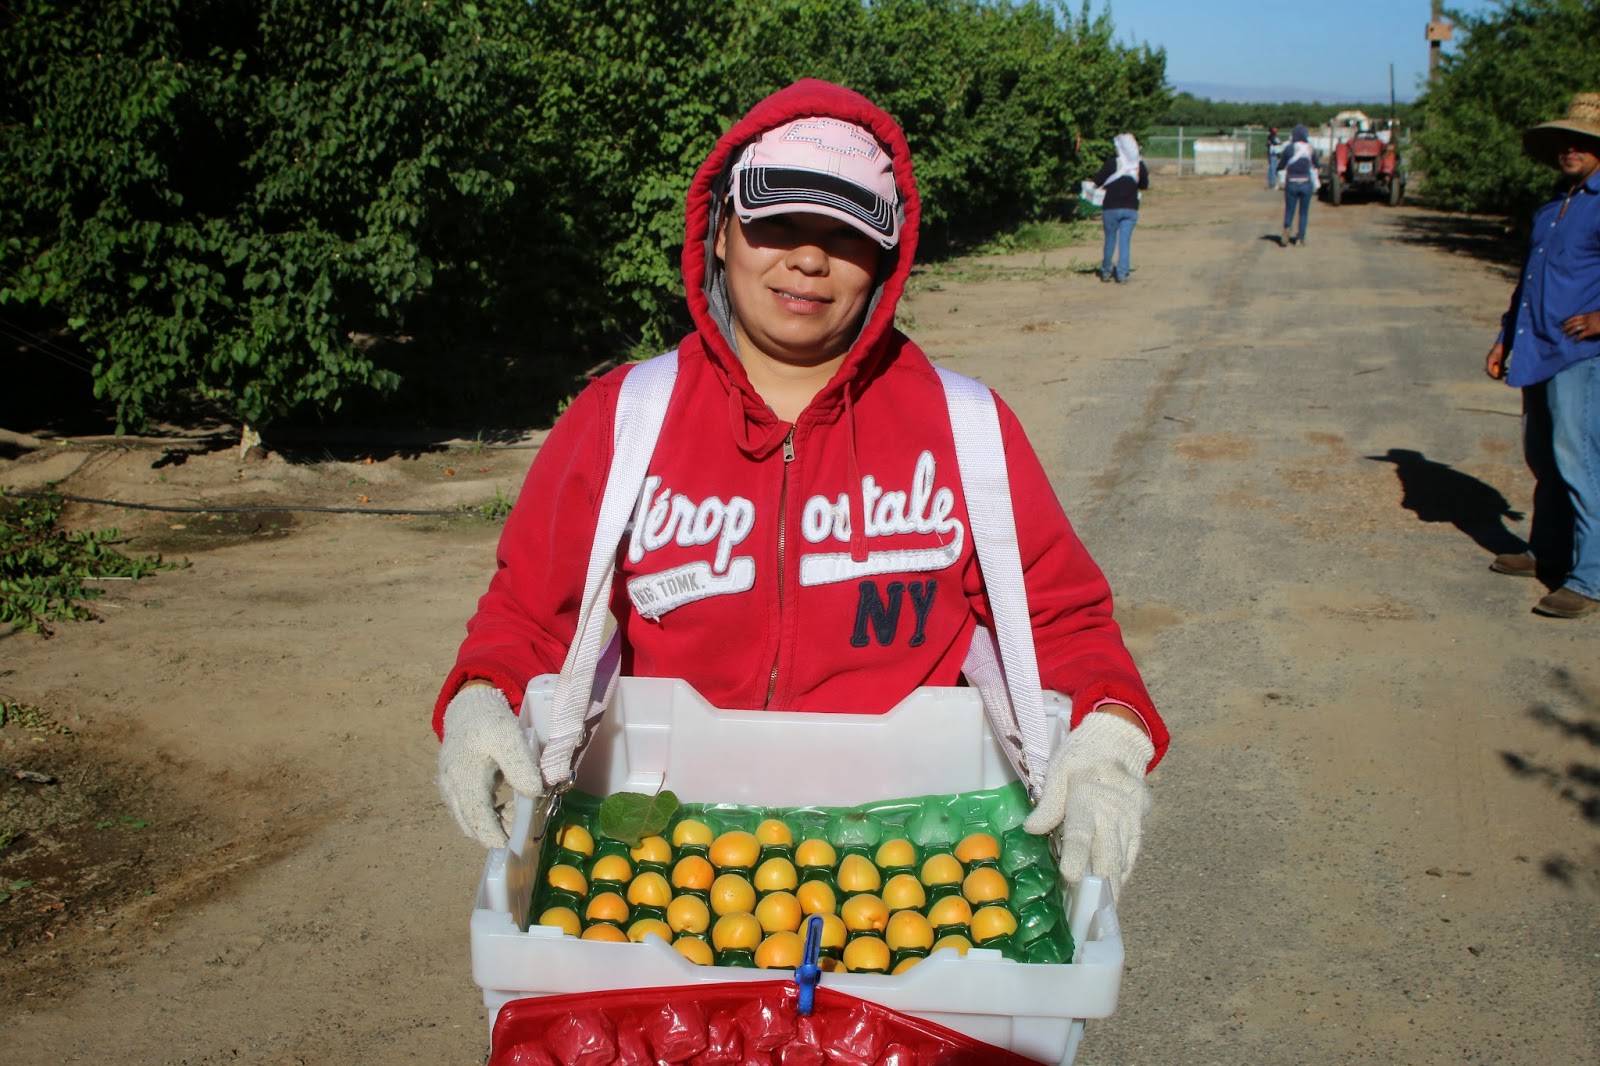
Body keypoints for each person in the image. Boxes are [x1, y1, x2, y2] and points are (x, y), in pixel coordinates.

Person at [432, 79, 1170, 896]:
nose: (808, 258)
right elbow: (532, 609)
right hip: (661, 857)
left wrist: (1110, 728)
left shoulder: (965, 430)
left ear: (886, 260)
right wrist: (479, 695)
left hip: (906, 863)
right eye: (777, 222)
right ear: (720, 232)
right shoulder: (625, 419)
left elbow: (1061, 617)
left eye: (845, 234)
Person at [1483, 93, 1600, 619]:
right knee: (1544, 457)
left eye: (1583, 142)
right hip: (1538, 345)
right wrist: (1506, 336)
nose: (1570, 150)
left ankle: (1590, 578)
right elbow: (1528, 282)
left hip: (1581, 353)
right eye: (1563, 142)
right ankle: (1548, 551)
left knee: (1580, 460)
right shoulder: (1554, 207)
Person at [1090, 133, 1149, 283]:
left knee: (1110, 239)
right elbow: (1144, 185)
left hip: (1110, 208)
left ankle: (1106, 271)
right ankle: (1122, 274)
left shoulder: (1112, 164)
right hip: (1131, 208)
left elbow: (1097, 181)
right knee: (1125, 241)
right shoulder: (1139, 165)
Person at [1277, 124, 1319, 246]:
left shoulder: (1289, 148)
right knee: (1303, 212)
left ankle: (1287, 228)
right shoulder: (1311, 148)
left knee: (1290, 209)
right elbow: (1317, 164)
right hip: (1306, 183)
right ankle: (1300, 237)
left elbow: (1281, 165)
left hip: (1292, 183)